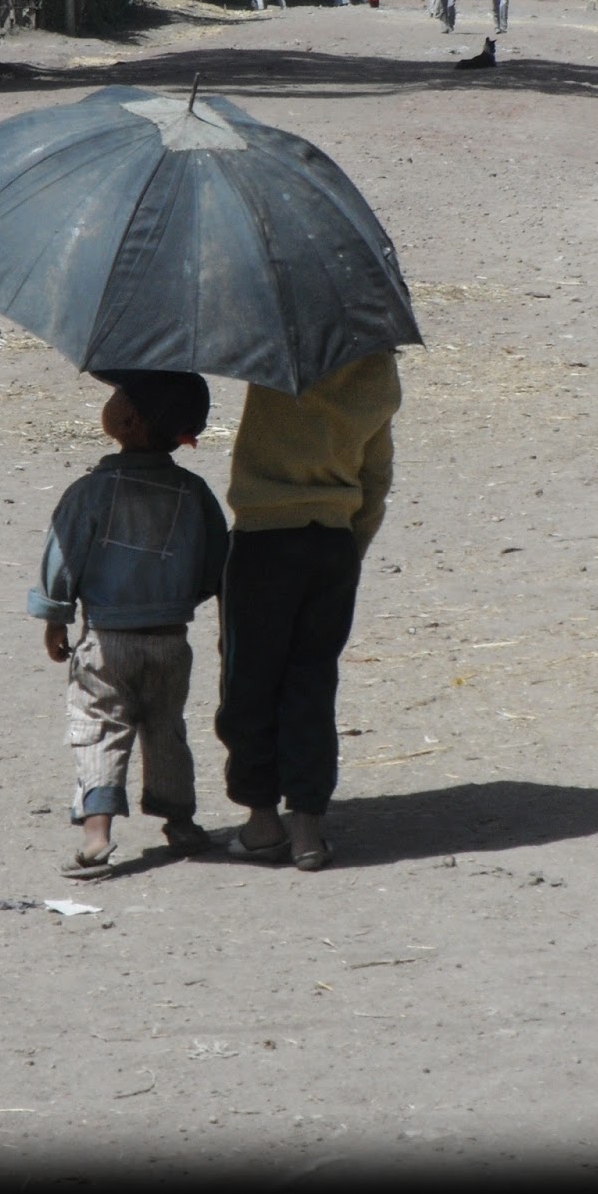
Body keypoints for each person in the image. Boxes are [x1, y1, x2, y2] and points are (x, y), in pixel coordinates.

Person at [28, 369, 229, 878]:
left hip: (106, 643)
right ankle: (180, 823)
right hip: (170, 641)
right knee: (166, 732)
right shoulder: (194, 492)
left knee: (99, 728)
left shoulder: (91, 492)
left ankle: (97, 835)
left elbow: (62, 558)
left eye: (117, 395)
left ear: (129, 421)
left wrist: (55, 617)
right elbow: (216, 564)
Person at [215, 350, 402, 872]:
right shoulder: (379, 375)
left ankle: (260, 819)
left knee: (248, 679)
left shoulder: (270, 353)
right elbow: (376, 477)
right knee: (312, 682)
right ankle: (307, 828)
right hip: (333, 545)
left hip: (262, 543)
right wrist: (349, 548)